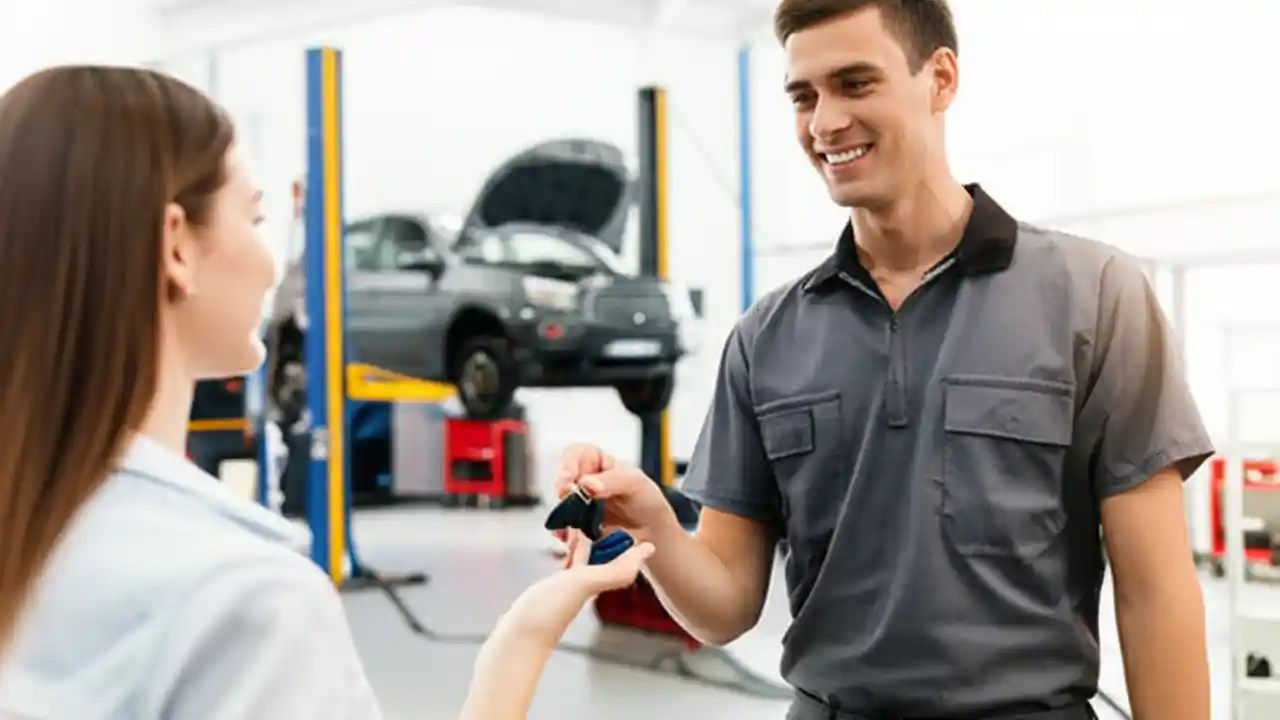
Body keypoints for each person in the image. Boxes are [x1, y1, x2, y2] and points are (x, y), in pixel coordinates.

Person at [554, 1, 1213, 718]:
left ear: (941, 78)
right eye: (804, 96)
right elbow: (726, 606)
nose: (824, 121)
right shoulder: (766, 338)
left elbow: (1154, 592)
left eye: (855, 83)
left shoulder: (1094, 297)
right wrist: (652, 519)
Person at [0, 64, 653, 720]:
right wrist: (529, 637)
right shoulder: (244, 599)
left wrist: (523, 628)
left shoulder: (38, 526)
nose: (276, 264)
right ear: (176, 247)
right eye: (255, 218)